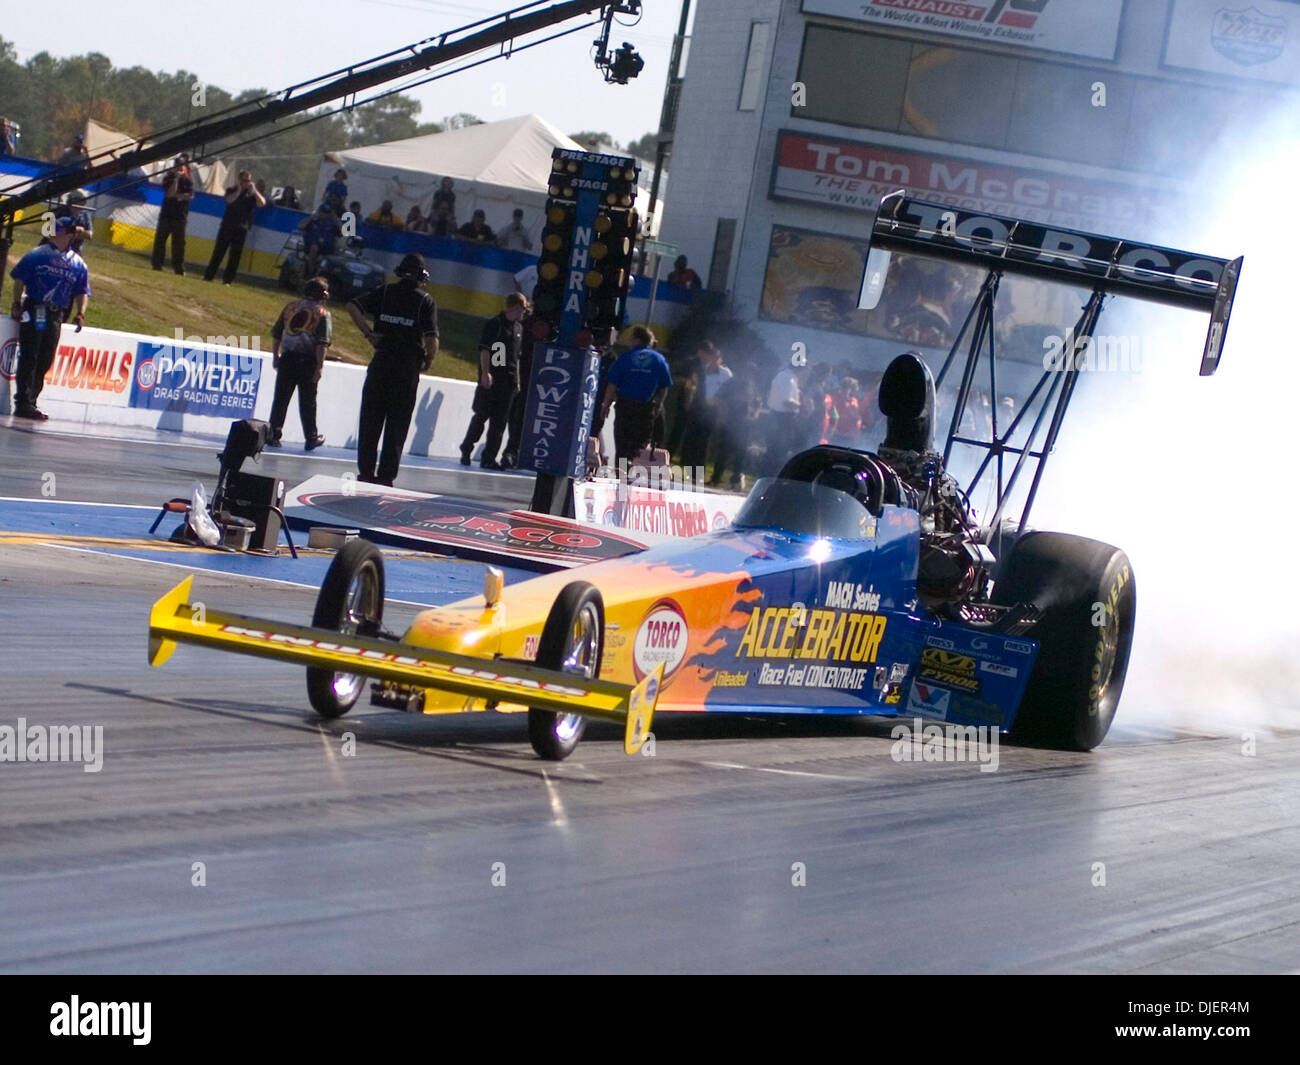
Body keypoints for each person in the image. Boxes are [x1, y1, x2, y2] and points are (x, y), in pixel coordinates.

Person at [346, 253, 439, 486]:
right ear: (421, 277)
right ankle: (386, 476)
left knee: (370, 420)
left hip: (381, 361)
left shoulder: (385, 292)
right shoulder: (424, 301)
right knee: (397, 424)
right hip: (406, 367)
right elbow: (431, 339)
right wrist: (428, 360)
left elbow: (352, 306)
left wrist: (369, 334)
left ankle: (366, 472)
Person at [7, 219, 91, 420]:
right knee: (31, 354)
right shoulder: (38, 254)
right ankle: (23, 402)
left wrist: (80, 313)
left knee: (46, 357)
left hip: (57, 314)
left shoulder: (78, 263)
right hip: (37, 308)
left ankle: (32, 400)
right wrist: (17, 303)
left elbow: (82, 291)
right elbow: (20, 279)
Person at [459, 292, 526, 470]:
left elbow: (516, 357)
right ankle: (467, 447)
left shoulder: (519, 328)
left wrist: (517, 380)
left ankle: (489, 458)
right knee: (481, 416)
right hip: (493, 378)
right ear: (515, 307)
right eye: (523, 308)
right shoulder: (495, 324)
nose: (524, 313)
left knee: (499, 422)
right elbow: (485, 350)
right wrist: (485, 373)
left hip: (508, 381)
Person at [268, 276, 331, 451]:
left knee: (280, 399)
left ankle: (273, 434)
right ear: (323, 295)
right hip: (308, 362)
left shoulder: (290, 307)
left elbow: (276, 334)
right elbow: (322, 343)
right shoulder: (322, 314)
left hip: (287, 358)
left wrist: (275, 356)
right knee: (308, 402)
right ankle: (311, 437)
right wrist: (319, 367)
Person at [600, 325, 672, 467]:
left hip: (625, 406)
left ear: (636, 339)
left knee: (622, 439)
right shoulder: (659, 359)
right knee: (641, 442)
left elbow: (612, 384)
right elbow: (664, 386)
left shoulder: (625, 358)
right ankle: (635, 467)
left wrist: (605, 405)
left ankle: (621, 469)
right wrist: (658, 404)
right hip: (645, 408)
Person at [204, 169, 265, 284]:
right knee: (219, 252)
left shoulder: (251, 194)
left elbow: (262, 203)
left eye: (249, 180)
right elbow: (229, 200)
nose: (247, 182)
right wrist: (239, 190)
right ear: (240, 180)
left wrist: (255, 191)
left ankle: (228, 280)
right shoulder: (231, 190)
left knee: (235, 256)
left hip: (242, 227)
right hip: (227, 225)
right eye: (245, 180)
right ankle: (208, 276)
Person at [679, 340, 732, 471]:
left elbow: (730, 391)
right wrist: (688, 403)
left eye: (716, 358)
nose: (712, 361)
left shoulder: (726, 374)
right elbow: (690, 387)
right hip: (698, 406)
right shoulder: (699, 371)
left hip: (713, 410)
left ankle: (699, 466)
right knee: (691, 436)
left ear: (719, 360)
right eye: (711, 358)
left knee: (704, 439)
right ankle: (686, 463)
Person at [152, 158, 194, 274]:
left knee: (179, 244)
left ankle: (178, 268)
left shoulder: (188, 180)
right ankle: (157, 264)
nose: (179, 168)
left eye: (181, 166)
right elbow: (169, 194)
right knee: (160, 241)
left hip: (180, 216)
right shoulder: (168, 178)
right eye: (177, 166)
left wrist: (177, 195)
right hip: (167, 215)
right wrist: (176, 179)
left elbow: (190, 196)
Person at [766, 361, 802, 466]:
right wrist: (801, 406)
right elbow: (787, 402)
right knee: (779, 451)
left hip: (777, 418)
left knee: (774, 450)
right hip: (783, 420)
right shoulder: (788, 379)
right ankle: (772, 476)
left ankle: (768, 473)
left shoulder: (782, 375)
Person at [298, 203, 341, 277]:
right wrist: (312, 217)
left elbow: (344, 232)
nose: (324, 215)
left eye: (327, 213)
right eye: (323, 212)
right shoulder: (313, 221)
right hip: (311, 245)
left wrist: (336, 219)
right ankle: (310, 273)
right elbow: (301, 226)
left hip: (327, 248)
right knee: (314, 248)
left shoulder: (332, 224)